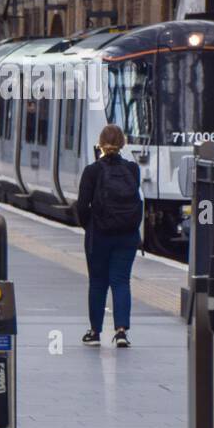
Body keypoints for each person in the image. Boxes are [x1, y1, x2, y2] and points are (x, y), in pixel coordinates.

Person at [76, 124, 143, 348]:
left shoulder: (92, 170)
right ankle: (122, 331)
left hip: (100, 235)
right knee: (121, 281)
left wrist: (90, 225)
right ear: (123, 143)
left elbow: (82, 207)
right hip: (127, 235)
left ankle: (95, 332)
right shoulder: (133, 169)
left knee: (98, 282)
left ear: (100, 143)